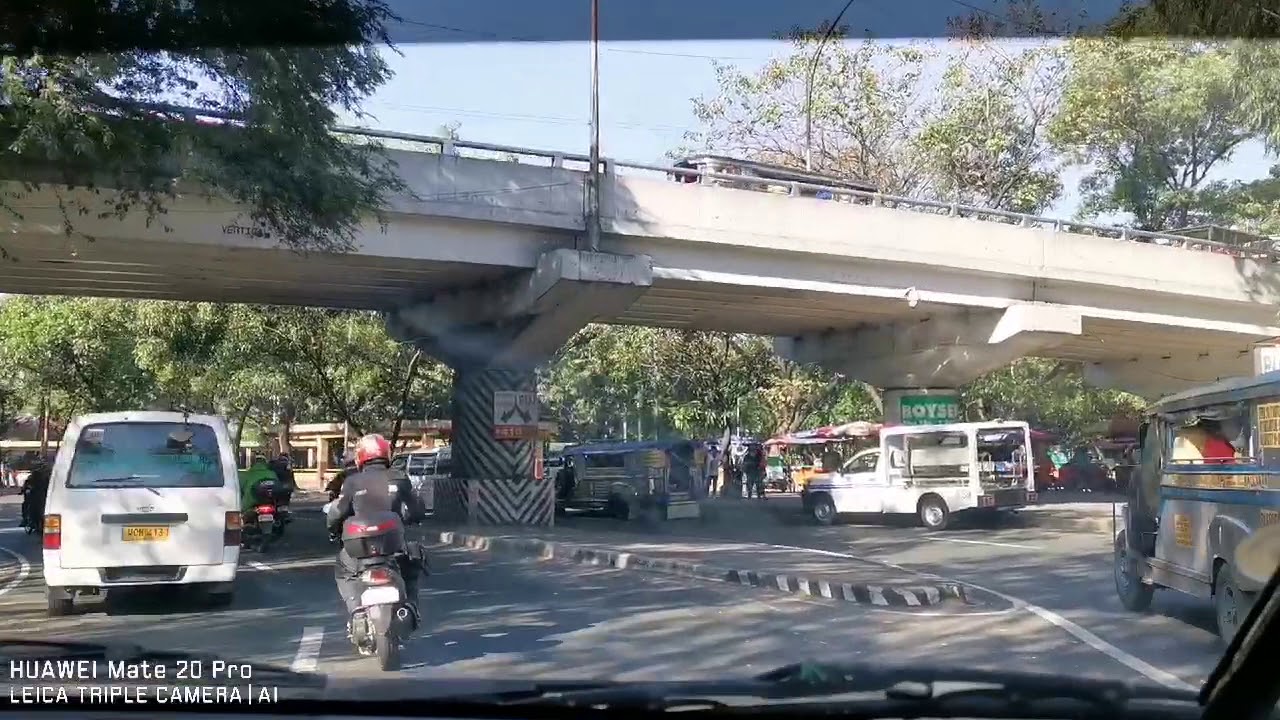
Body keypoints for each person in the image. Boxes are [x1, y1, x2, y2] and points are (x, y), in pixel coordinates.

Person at [325, 434, 427, 617]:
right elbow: (416, 508)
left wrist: (333, 530)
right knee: (412, 565)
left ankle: (356, 610)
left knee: (343, 569)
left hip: (360, 547)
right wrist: (413, 517)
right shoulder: (399, 477)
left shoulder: (352, 481)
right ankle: (411, 606)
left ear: (360, 457)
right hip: (394, 545)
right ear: (386, 454)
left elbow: (337, 512)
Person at [20, 460, 51, 531]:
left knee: (28, 505)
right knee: (27, 504)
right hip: (39, 494)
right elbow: (26, 485)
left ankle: (26, 519)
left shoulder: (39, 475)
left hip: (39, 495)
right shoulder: (43, 475)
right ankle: (26, 519)